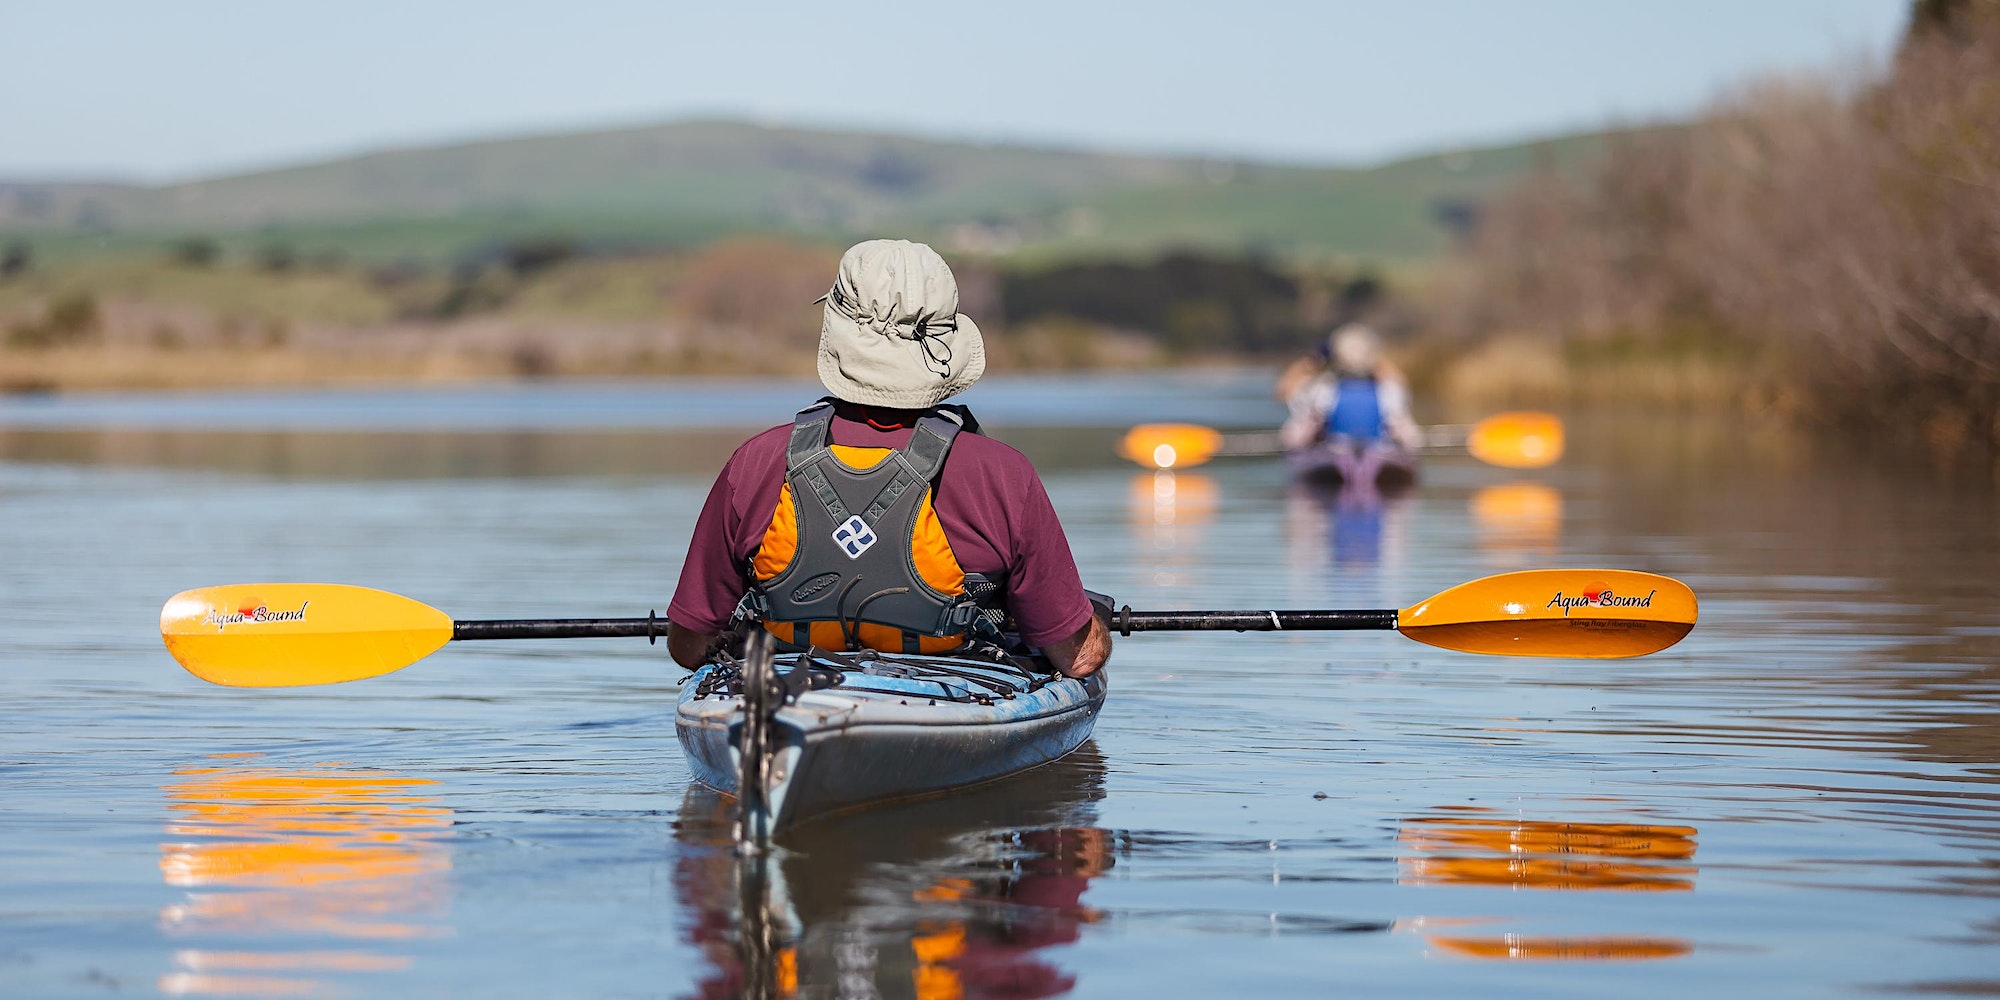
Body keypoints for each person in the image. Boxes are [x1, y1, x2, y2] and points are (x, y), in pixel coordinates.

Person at [666, 239, 1111, 679]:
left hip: (789, 694)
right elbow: (1078, 658)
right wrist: (1096, 627)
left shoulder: (757, 461)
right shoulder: (1001, 473)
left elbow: (688, 644)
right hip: (953, 702)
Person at [1276, 323, 1423, 453]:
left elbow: (1284, 391)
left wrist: (1313, 360)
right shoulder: (1388, 390)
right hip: (1376, 449)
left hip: (1336, 449)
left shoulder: (1321, 388)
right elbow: (1402, 388)